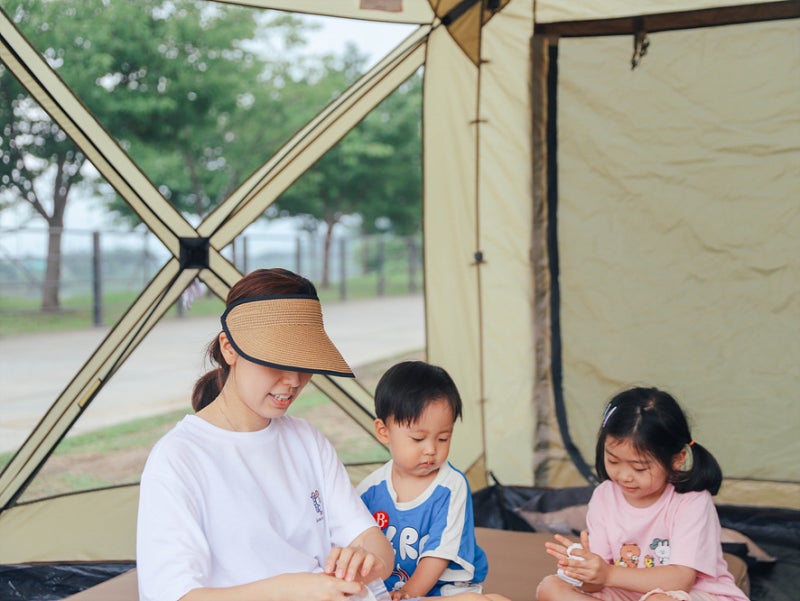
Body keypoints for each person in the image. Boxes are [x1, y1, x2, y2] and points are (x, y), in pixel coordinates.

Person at [137, 268, 394, 601]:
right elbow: (171, 595)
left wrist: (367, 561)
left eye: (304, 364)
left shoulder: (306, 440)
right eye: (276, 362)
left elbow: (375, 546)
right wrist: (289, 589)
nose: (293, 381)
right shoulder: (179, 458)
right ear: (229, 349)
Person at [536, 386, 750, 601]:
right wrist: (583, 571)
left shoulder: (691, 500)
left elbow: (680, 580)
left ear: (677, 459)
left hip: (692, 595)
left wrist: (608, 574)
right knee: (551, 587)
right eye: (613, 461)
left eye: (639, 468)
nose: (624, 476)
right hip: (630, 594)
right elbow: (597, 582)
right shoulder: (604, 496)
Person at [357, 361, 489, 599]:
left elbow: (437, 556)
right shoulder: (369, 489)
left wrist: (409, 593)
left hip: (442, 592)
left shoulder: (450, 486)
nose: (431, 449)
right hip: (386, 593)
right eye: (418, 439)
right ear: (383, 431)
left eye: (443, 439)